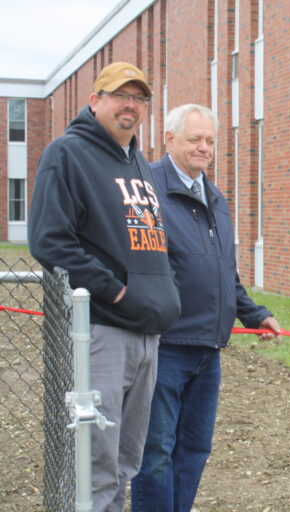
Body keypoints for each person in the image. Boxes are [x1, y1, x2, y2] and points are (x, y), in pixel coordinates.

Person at [28, 62, 181, 512]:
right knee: (96, 466)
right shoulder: (67, 154)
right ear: (95, 101)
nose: (130, 106)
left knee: (125, 464)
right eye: (120, 96)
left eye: (138, 99)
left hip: (148, 334)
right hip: (103, 330)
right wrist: (114, 291)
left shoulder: (137, 161)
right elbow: (50, 240)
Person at [130, 104, 281, 511]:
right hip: (165, 343)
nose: (204, 147)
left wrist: (253, 312)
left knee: (195, 448)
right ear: (170, 139)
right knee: (156, 453)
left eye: (210, 141)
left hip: (208, 347)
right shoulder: (147, 187)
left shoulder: (213, 196)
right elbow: (141, 264)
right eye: (195, 139)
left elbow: (222, 271)